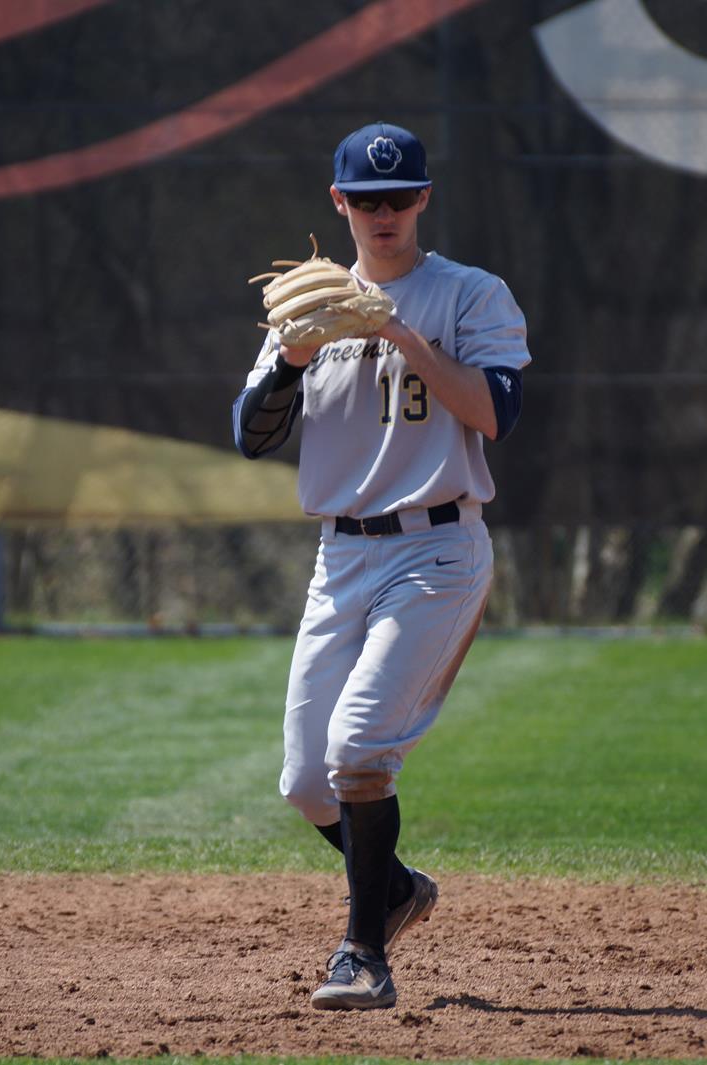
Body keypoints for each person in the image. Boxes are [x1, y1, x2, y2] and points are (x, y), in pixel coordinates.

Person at [232, 122, 531, 1010]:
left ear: (425, 198)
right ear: (340, 203)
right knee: (305, 781)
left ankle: (362, 953)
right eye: (367, 200)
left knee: (359, 747)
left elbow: (494, 413)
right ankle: (395, 888)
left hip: (437, 546)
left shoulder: (470, 295)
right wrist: (291, 356)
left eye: (399, 198)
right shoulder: (310, 301)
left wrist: (400, 332)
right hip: (340, 554)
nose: (384, 212)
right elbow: (251, 433)